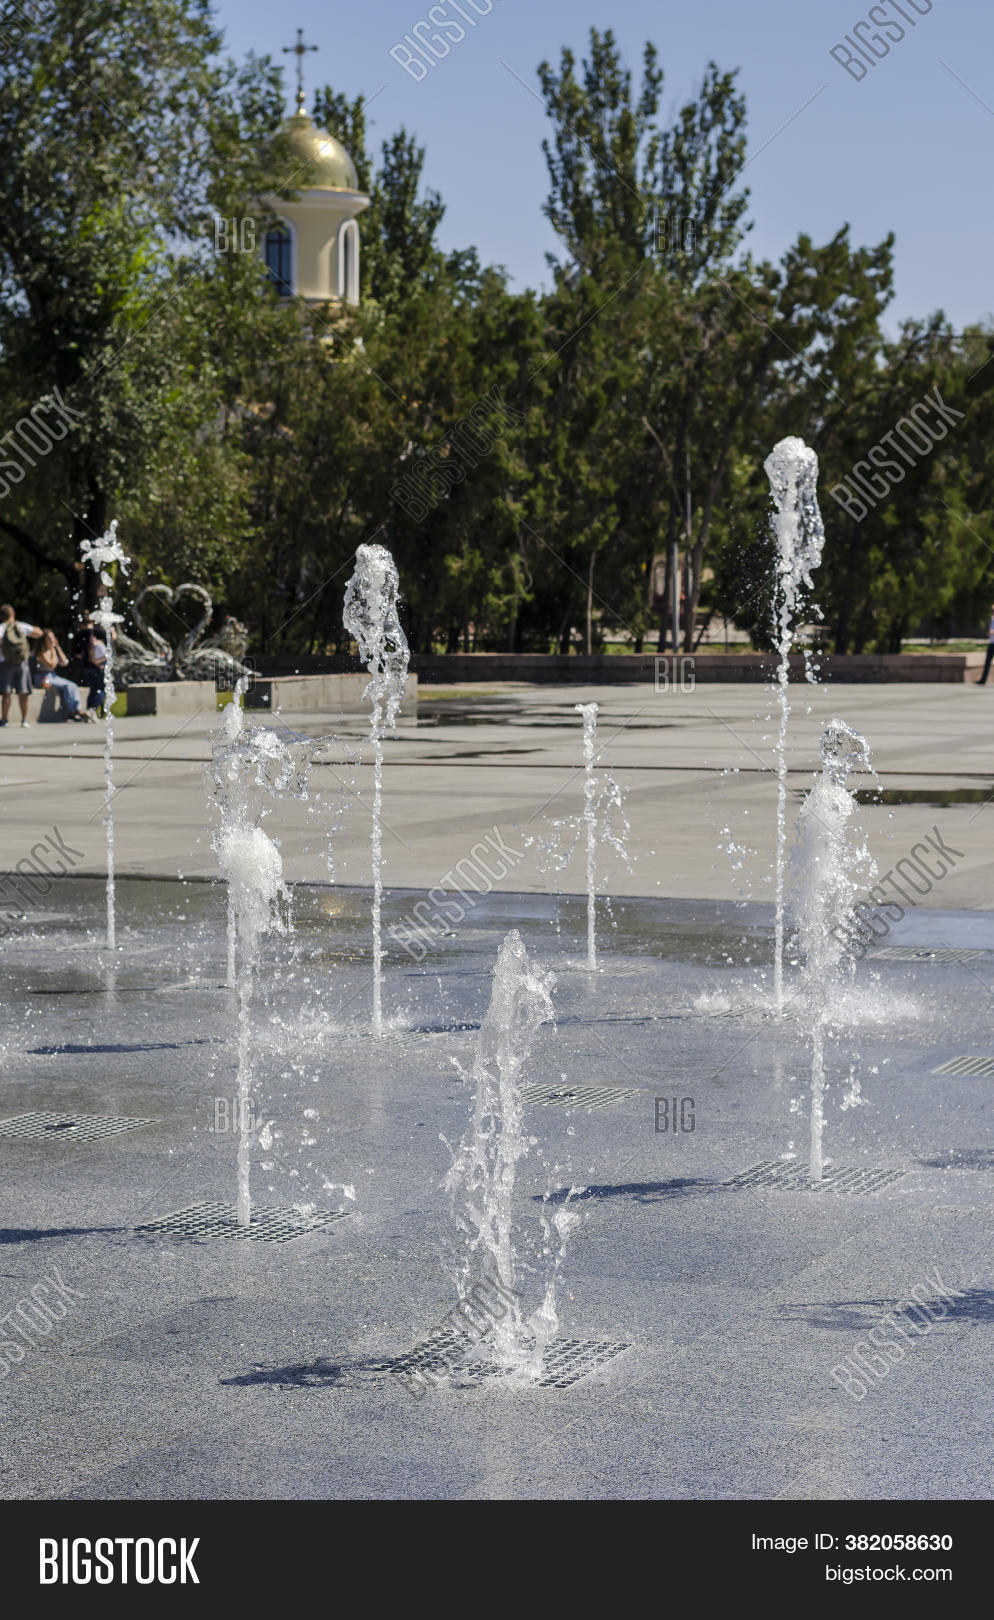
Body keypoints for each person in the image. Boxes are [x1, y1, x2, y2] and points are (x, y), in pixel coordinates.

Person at [33, 629, 91, 722]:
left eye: (52, 637)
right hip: (43, 677)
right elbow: (51, 664)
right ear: (44, 640)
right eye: (49, 638)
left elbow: (64, 662)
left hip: (52, 676)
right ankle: (72, 711)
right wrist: (53, 649)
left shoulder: (53, 650)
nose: (52, 640)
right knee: (67, 686)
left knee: (72, 685)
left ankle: (76, 710)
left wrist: (58, 648)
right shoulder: (41, 651)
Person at [0, 603, 42, 727]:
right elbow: (39, 633)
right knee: (23, 692)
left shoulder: (2, 627)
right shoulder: (21, 626)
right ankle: (24, 720)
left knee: (6, 692)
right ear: (13, 614)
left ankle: (5, 720)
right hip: (22, 663)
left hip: (5, 663)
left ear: (1, 617)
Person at [72, 614, 110, 712]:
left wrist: (85, 655)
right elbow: (110, 642)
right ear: (92, 622)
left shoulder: (78, 635)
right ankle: (92, 710)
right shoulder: (99, 632)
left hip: (87, 667)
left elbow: (77, 655)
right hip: (99, 666)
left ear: (81, 624)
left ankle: (89, 711)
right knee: (102, 689)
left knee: (93, 690)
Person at [978, 602, 994, 685]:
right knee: (987, 662)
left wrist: (991, 632)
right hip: (991, 643)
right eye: (991, 610)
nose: (992, 612)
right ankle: (983, 680)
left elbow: (991, 631)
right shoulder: (991, 620)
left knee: (988, 661)